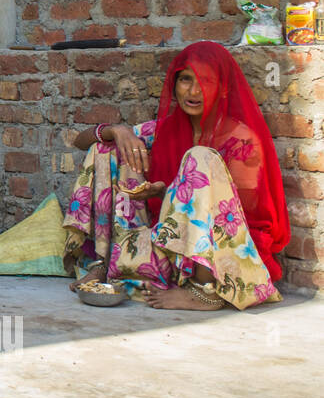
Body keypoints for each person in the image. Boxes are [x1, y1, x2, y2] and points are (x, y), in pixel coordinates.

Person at [63, 41, 289, 310]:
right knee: (106, 149)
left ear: (223, 87)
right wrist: (118, 130)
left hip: (223, 252)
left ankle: (203, 290)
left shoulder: (241, 139)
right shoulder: (163, 130)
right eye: (185, 80)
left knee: (200, 157)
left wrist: (167, 192)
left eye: (206, 80)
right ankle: (104, 263)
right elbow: (81, 141)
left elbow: (238, 213)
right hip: (172, 245)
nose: (194, 91)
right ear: (174, 84)